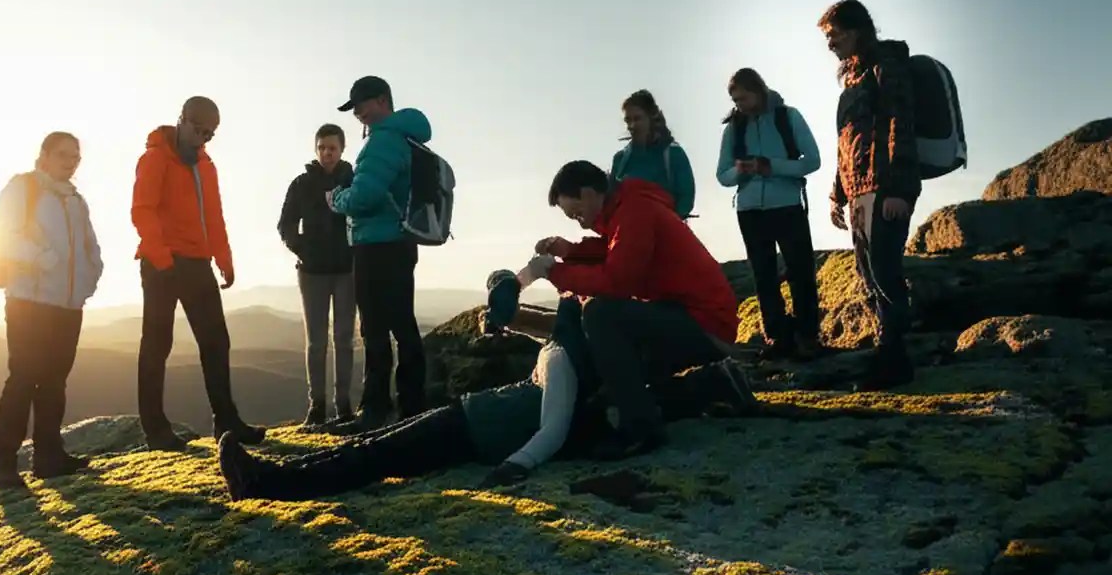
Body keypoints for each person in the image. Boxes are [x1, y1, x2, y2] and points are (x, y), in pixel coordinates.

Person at [217, 272, 755, 502]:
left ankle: (268, 485)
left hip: (476, 433)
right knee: (371, 450)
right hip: (472, 418)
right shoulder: (576, 347)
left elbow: (555, 426)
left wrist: (517, 465)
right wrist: (511, 314)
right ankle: (271, 477)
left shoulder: (568, 360)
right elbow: (547, 329)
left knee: (375, 457)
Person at [533, 161, 754, 457]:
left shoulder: (634, 211)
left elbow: (618, 280)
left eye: (577, 214)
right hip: (693, 316)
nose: (581, 223)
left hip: (704, 323)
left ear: (588, 193)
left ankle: (641, 429)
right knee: (617, 373)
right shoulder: (627, 208)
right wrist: (570, 251)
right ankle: (715, 385)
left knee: (600, 314)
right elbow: (615, 251)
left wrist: (555, 274)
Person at [131, 96, 266, 451]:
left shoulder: (206, 166)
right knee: (157, 345)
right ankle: (156, 432)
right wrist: (161, 258)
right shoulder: (154, 159)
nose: (203, 138)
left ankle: (227, 424)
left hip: (197, 263)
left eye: (211, 133)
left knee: (216, 342)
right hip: (161, 265)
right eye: (199, 129)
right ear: (182, 120)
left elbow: (214, 215)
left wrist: (224, 256)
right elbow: (141, 211)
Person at [0, 131, 103, 489]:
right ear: (45, 156)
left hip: (67, 305)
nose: (70, 162)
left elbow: (89, 246)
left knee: (54, 381)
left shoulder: (75, 201)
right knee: (22, 378)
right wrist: (44, 260)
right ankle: (4, 464)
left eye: (76, 157)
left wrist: (89, 278)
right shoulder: (23, 189)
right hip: (28, 302)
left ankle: (49, 458)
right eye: (64, 155)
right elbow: (6, 237)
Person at [819, 0, 920, 389]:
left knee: (886, 273)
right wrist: (836, 193)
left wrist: (898, 190)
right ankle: (886, 354)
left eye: (834, 35)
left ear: (856, 30)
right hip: (859, 190)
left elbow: (900, 125)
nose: (830, 44)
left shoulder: (887, 64)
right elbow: (848, 139)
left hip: (885, 189)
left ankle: (895, 360)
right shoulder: (852, 78)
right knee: (868, 275)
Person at [328, 76, 431, 431]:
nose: (357, 112)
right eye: (353, 106)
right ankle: (411, 407)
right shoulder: (405, 137)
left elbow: (364, 197)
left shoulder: (382, 141)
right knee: (403, 322)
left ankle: (375, 410)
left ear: (383, 100)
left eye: (362, 103)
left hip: (377, 245)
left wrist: (337, 200)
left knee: (375, 327)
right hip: (401, 242)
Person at [717, 68, 823, 361]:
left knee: (800, 271)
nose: (740, 105)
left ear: (759, 91)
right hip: (750, 210)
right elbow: (722, 175)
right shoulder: (733, 128)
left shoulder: (788, 117)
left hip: (787, 205)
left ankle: (808, 337)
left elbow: (812, 161)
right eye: (735, 100)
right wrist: (741, 170)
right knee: (763, 275)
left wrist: (771, 166)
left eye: (744, 98)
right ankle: (777, 338)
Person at [277, 123, 357, 427]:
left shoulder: (353, 180)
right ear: (316, 149)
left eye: (332, 148)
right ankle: (317, 406)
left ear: (342, 149)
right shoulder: (301, 184)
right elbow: (285, 224)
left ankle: (344, 405)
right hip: (312, 272)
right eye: (322, 147)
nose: (327, 153)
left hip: (347, 270)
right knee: (316, 341)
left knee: (345, 338)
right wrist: (302, 250)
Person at [611, 90, 696, 219]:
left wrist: (668, 223)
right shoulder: (620, 159)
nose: (632, 125)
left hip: (665, 230)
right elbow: (612, 200)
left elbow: (686, 199)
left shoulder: (673, 154)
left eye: (637, 119)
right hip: (629, 230)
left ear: (651, 118)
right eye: (628, 120)